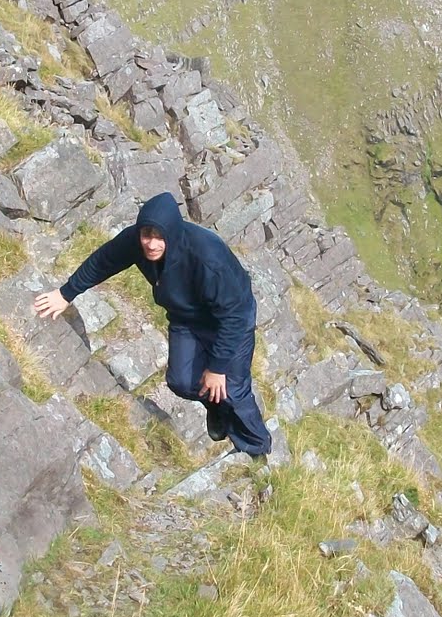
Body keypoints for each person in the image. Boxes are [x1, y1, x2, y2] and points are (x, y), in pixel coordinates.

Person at [34, 192, 273, 458]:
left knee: (233, 388)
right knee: (180, 381)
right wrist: (66, 293)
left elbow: (235, 316)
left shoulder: (207, 258)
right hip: (186, 317)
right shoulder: (136, 242)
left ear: (172, 232)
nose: (151, 243)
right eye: (146, 234)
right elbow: (103, 261)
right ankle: (217, 405)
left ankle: (256, 450)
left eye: (159, 237)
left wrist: (217, 368)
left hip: (231, 323)